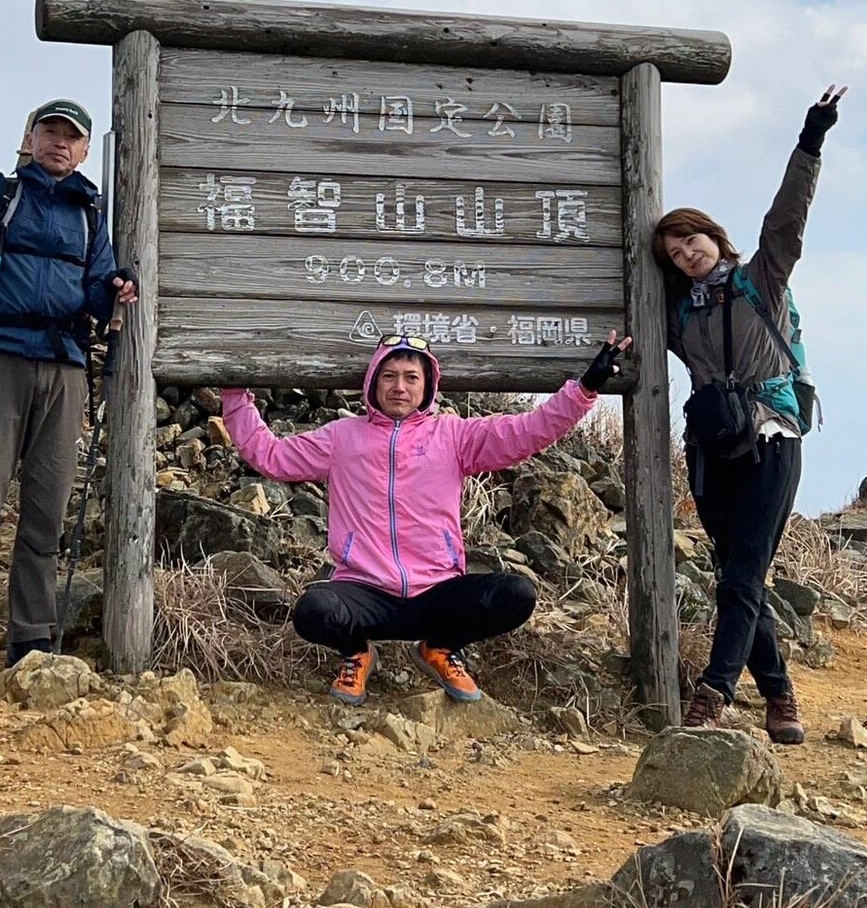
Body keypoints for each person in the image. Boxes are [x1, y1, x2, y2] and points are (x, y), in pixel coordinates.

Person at [0, 0, 138, 690]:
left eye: (70, 136)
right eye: (50, 130)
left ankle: (29, 644)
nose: (59, 142)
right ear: (32, 137)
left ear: (81, 152)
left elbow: (101, 279)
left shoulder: (90, 215)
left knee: (45, 516)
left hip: (66, 366)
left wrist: (115, 287)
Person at [221, 330, 630, 705]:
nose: (399, 387)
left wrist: (585, 389)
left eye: (411, 378)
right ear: (372, 384)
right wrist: (234, 393)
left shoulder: (454, 437)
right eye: (389, 376)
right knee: (314, 609)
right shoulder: (341, 439)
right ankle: (358, 653)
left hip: (436, 592)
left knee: (515, 595)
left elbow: (528, 430)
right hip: (365, 592)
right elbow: (270, 455)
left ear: (427, 386)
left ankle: (439, 648)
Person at [653, 86, 845, 745]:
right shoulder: (681, 315)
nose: (687, 254)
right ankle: (780, 695)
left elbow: (786, 217)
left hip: (771, 433)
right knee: (735, 574)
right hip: (710, 448)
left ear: (711, 233)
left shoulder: (758, 278)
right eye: (675, 253)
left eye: (691, 240)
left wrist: (810, 138)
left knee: (740, 574)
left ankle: (713, 694)